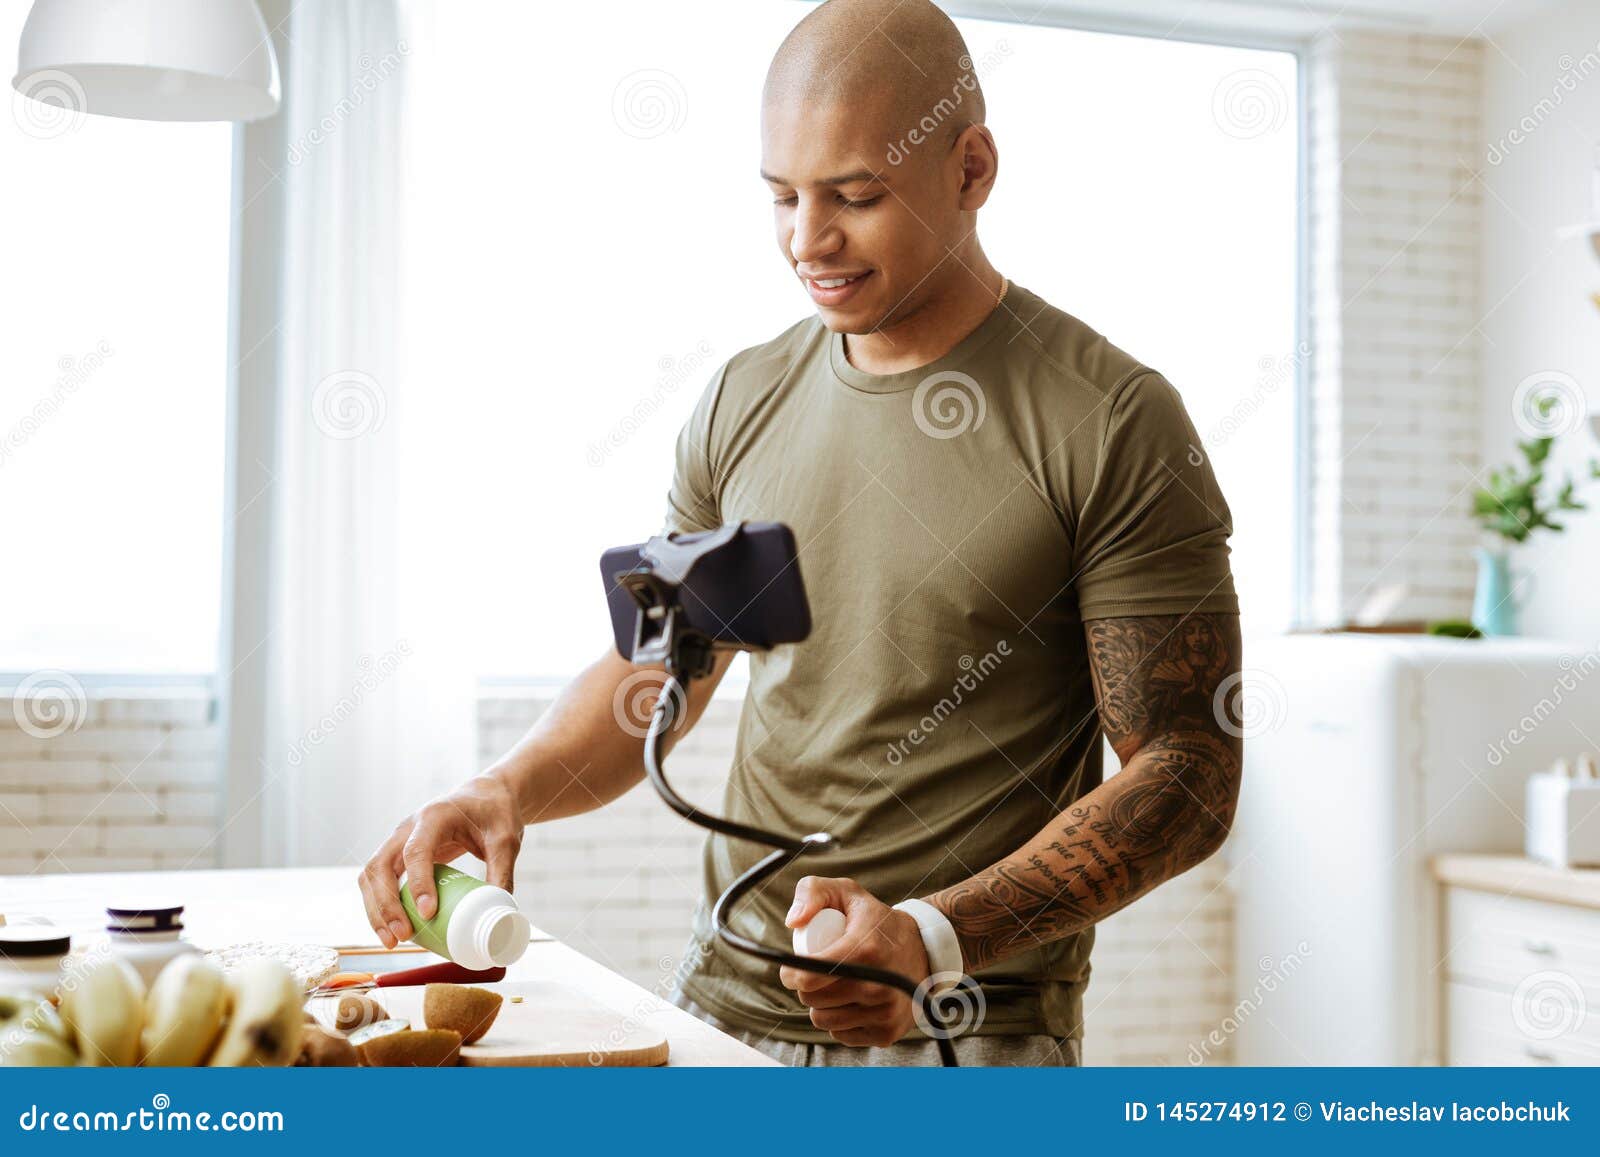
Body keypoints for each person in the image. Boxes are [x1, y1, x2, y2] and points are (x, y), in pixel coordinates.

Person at [359, 0, 1243, 1067]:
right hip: (721, 1002)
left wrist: (928, 936)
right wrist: (500, 785)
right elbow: (658, 677)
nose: (807, 240)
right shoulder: (743, 398)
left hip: (959, 1033)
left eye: (855, 196)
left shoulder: (1110, 418)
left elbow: (1188, 771)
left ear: (971, 169)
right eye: (782, 196)